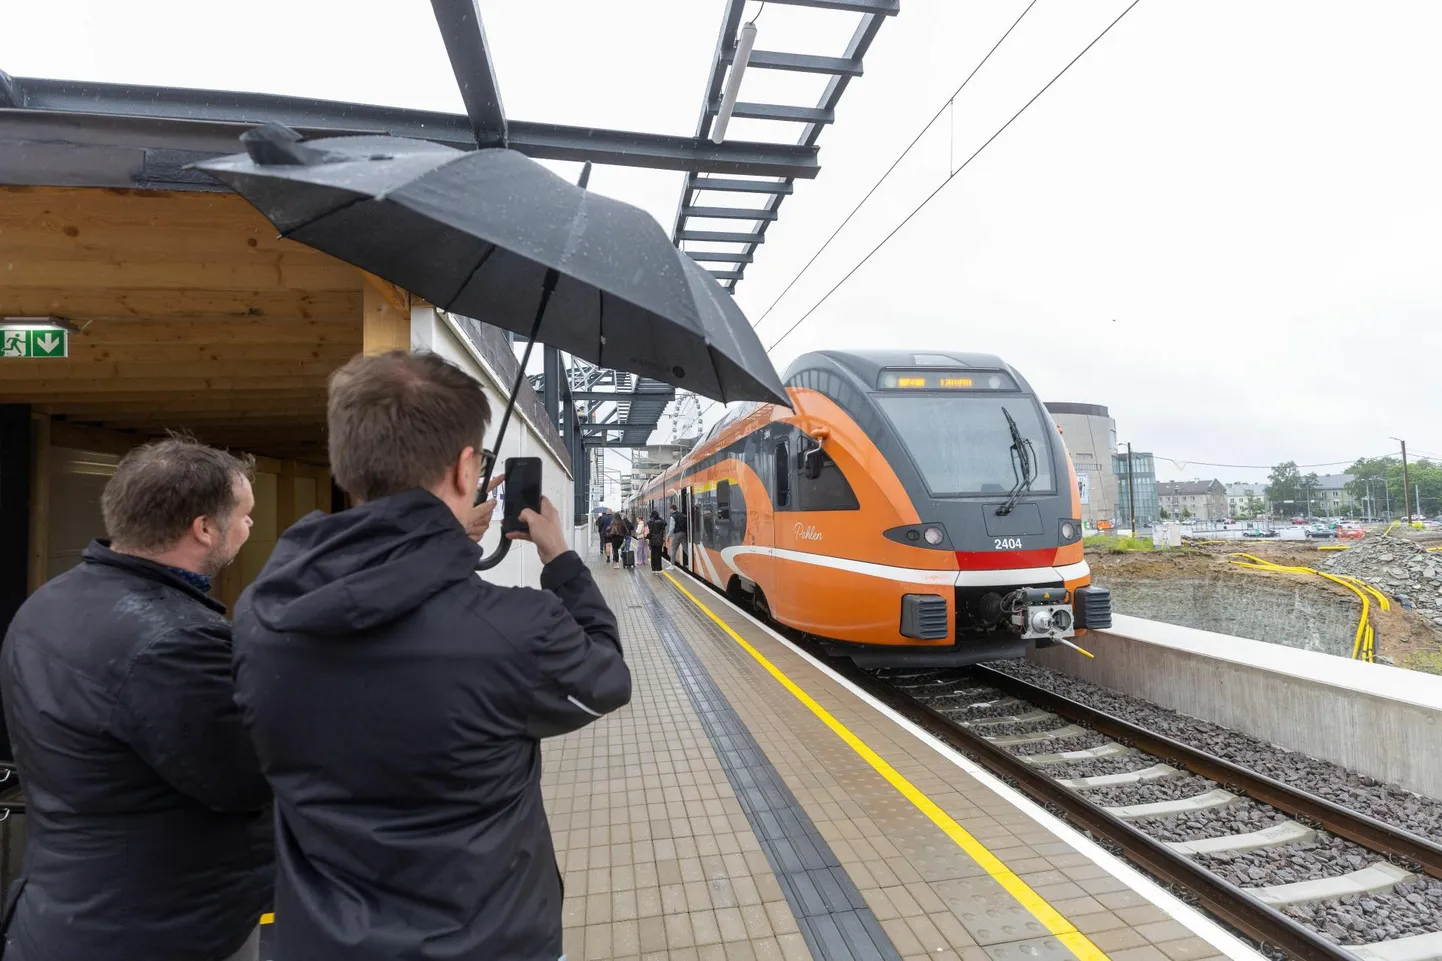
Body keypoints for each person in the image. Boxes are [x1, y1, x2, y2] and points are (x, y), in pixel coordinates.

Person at [232, 350, 631, 961]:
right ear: (466, 468)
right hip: (489, 942)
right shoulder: (515, 630)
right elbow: (607, 674)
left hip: (319, 941)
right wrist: (562, 559)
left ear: (348, 463)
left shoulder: (262, 614)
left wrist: (442, 545)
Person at [0, 436, 273, 961]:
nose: (250, 527)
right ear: (204, 528)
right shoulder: (175, 641)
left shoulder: (50, 603)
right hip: (160, 930)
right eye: (245, 515)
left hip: (64, 913)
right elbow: (248, 779)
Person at [670, 502, 688, 569]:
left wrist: (669, 535)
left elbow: (671, 527)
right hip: (683, 533)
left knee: (673, 549)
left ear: (672, 509)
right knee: (685, 548)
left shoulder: (673, 516)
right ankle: (693, 560)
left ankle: (672, 565)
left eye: (670, 509)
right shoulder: (682, 515)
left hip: (677, 534)